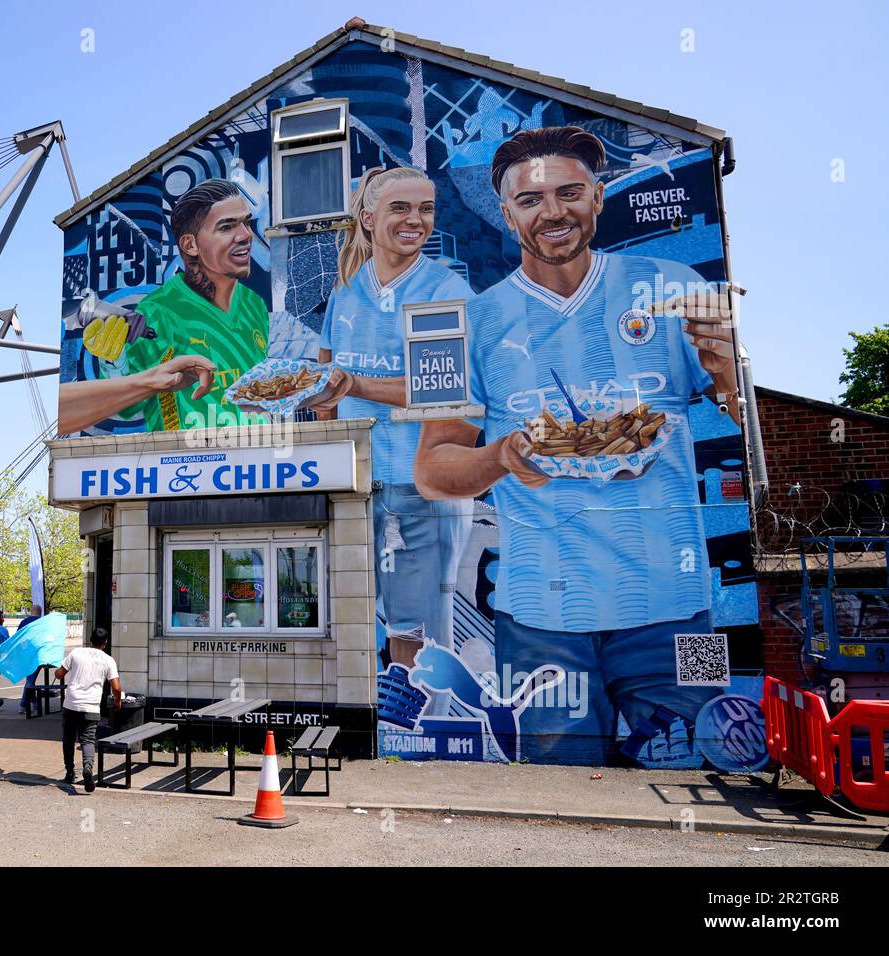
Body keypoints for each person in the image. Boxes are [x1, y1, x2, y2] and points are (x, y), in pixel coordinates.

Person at [413, 126, 739, 763]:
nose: (553, 211)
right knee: (557, 794)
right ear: (507, 215)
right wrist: (500, 457)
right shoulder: (460, 327)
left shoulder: (672, 284)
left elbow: (744, 417)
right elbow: (432, 471)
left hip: (681, 610)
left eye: (570, 193)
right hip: (537, 620)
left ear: (598, 198)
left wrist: (731, 370)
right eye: (531, 201)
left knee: (697, 775)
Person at [309, 165, 476, 683]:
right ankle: (364, 725)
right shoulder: (346, 293)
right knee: (350, 619)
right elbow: (325, 382)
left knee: (415, 631)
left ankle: (415, 737)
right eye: (401, 208)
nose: (416, 220)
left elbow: (444, 391)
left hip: (418, 483)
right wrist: (307, 402)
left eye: (426, 208)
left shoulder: (444, 289)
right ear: (368, 218)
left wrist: (352, 384)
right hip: (359, 483)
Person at [56, 179, 269, 435]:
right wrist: (115, 362)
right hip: (187, 466)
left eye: (246, 222)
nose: (246, 235)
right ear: (190, 245)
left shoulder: (254, 304)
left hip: (261, 464)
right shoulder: (157, 311)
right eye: (227, 227)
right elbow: (126, 407)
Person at [54, 627, 122, 792]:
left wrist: (57, 670)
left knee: (68, 739)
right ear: (105, 643)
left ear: (90, 640)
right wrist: (117, 701)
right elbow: (116, 687)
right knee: (88, 740)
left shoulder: (76, 653)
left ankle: (70, 772)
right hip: (91, 706)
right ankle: (87, 768)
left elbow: (59, 674)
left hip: (71, 704)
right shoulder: (108, 660)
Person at [16, 603, 43, 715]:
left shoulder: (23, 622)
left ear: (31, 611)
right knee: (31, 681)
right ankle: (23, 705)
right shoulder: (42, 623)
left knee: (30, 679)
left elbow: (17, 638)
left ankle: (33, 704)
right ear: (40, 613)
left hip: (25, 655)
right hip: (36, 655)